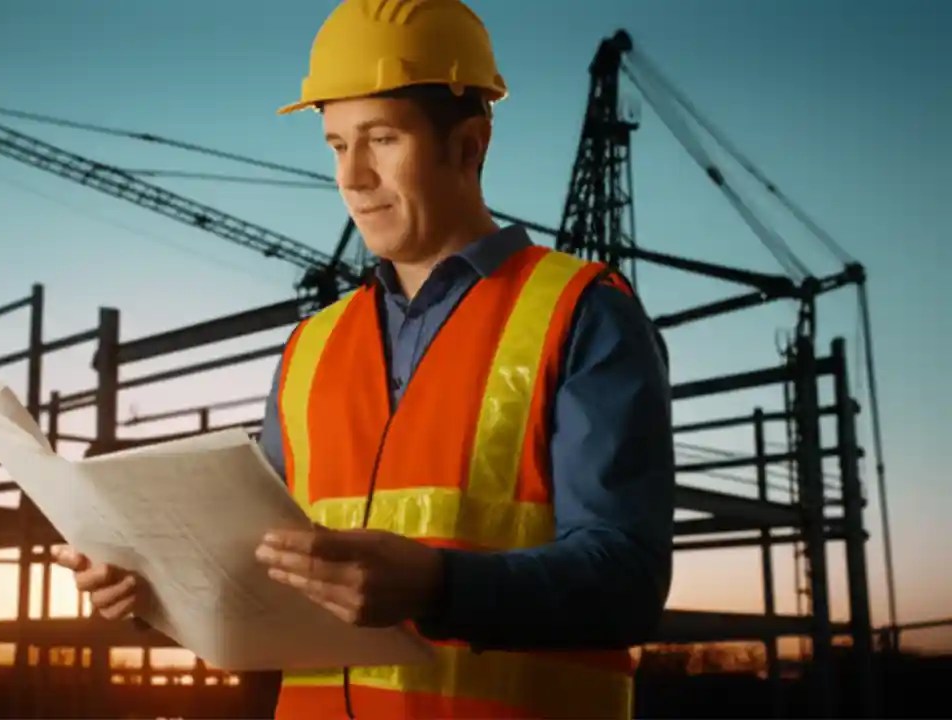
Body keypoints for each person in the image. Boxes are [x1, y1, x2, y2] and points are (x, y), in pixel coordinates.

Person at [52, 0, 675, 717]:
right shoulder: (311, 347)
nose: (352, 176)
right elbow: (259, 576)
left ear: (469, 145)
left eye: (381, 138)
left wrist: (437, 587)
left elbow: (627, 584)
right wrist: (151, 587)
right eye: (336, 145)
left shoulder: (581, 314)